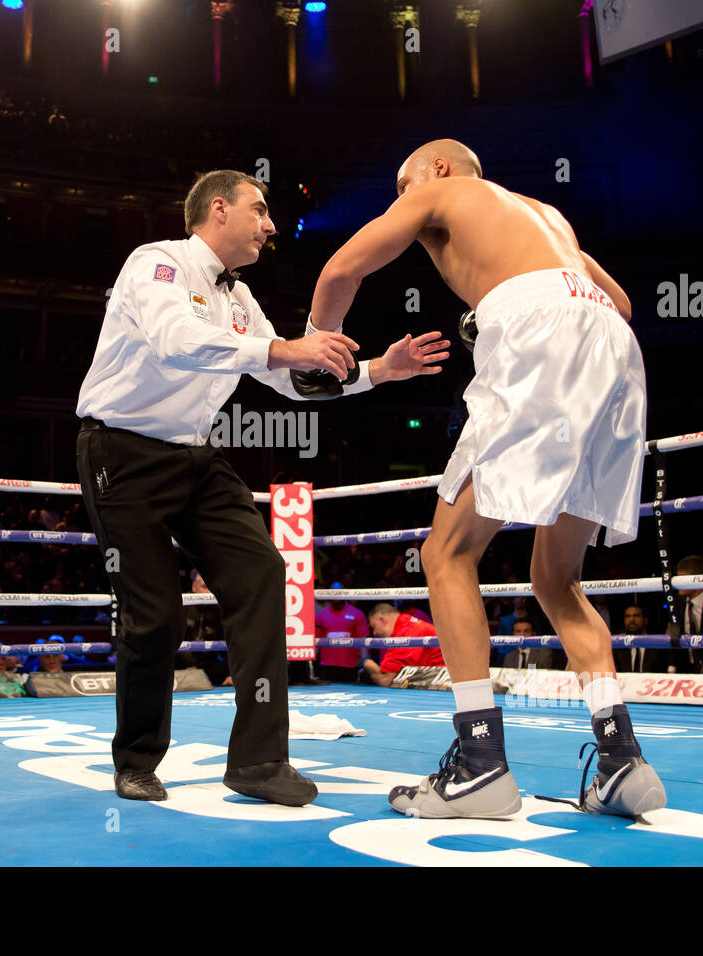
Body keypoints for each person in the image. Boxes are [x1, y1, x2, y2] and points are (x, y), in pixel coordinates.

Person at [308, 139, 663, 819]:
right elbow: (616, 302)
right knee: (556, 581)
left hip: (543, 332)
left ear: (438, 170)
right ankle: (621, 760)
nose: (401, 197)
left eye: (403, 182)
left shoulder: (442, 192)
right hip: (616, 356)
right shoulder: (546, 215)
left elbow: (342, 267)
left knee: (446, 552)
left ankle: (479, 763)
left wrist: (317, 345)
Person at [75, 168, 449, 806]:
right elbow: (175, 342)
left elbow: (289, 377)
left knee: (261, 574)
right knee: (157, 612)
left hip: (195, 457)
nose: (271, 226)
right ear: (218, 210)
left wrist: (379, 371)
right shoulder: (156, 263)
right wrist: (284, 351)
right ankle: (135, 759)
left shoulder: (239, 298)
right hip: (122, 450)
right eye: (260, 210)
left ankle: (257, 762)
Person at [362, 603, 444, 686]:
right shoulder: (407, 623)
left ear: (382, 620)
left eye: (374, 627)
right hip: (437, 679)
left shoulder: (406, 632)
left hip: (440, 683)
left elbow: (385, 680)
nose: (374, 633)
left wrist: (365, 662)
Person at [315, 586, 370, 683]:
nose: (336, 596)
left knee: (350, 694)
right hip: (327, 665)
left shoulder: (357, 614)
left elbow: (363, 639)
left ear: (344, 593)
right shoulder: (321, 615)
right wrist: (311, 663)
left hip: (350, 665)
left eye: (339, 592)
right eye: (334, 593)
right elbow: (315, 641)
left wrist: (364, 663)